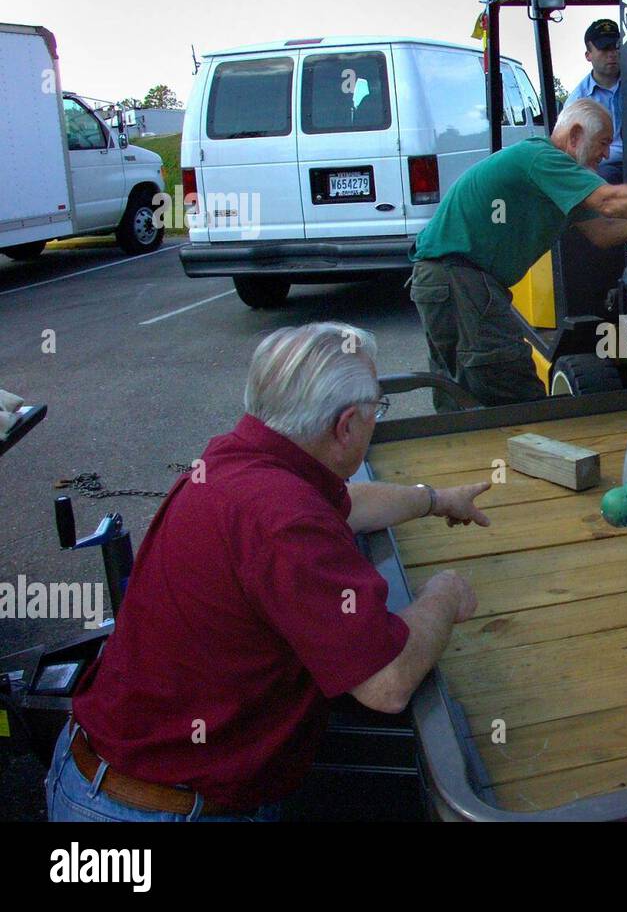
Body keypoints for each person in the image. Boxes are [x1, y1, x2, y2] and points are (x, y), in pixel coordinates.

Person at [46, 323, 488, 822]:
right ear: (345, 427)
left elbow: (342, 507)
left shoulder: (244, 460)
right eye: (376, 412)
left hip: (111, 774)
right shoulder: (285, 518)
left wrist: (433, 500)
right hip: (158, 810)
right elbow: (386, 682)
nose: (375, 422)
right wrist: (445, 595)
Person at [409, 98, 627, 410]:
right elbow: (609, 201)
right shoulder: (541, 157)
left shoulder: (556, 178)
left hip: (449, 279)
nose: (605, 154)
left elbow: (604, 232)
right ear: (574, 136)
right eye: (602, 143)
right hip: (458, 279)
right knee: (510, 389)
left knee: (462, 396)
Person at [564, 19, 623, 183]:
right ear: (588, 55)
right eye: (604, 48)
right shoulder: (578, 101)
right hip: (604, 165)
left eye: (616, 47)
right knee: (604, 179)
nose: (612, 53)